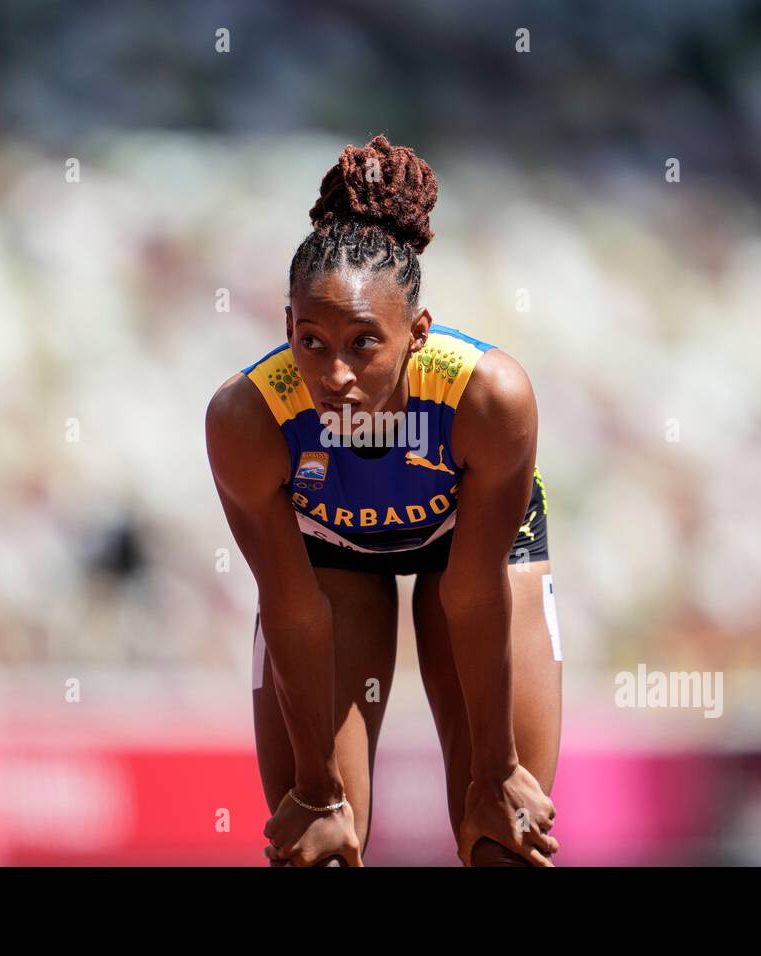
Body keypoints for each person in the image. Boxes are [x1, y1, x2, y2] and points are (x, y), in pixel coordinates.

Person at [206, 134, 562, 866]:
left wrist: (494, 773)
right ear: (286, 329)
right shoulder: (248, 418)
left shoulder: (489, 398)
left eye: (363, 344)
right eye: (311, 342)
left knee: (503, 840)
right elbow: (293, 608)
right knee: (319, 847)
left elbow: (471, 592)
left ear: (418, 335)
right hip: (328, 553)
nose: (333, 374)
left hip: (467, 548)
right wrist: (318, 789)